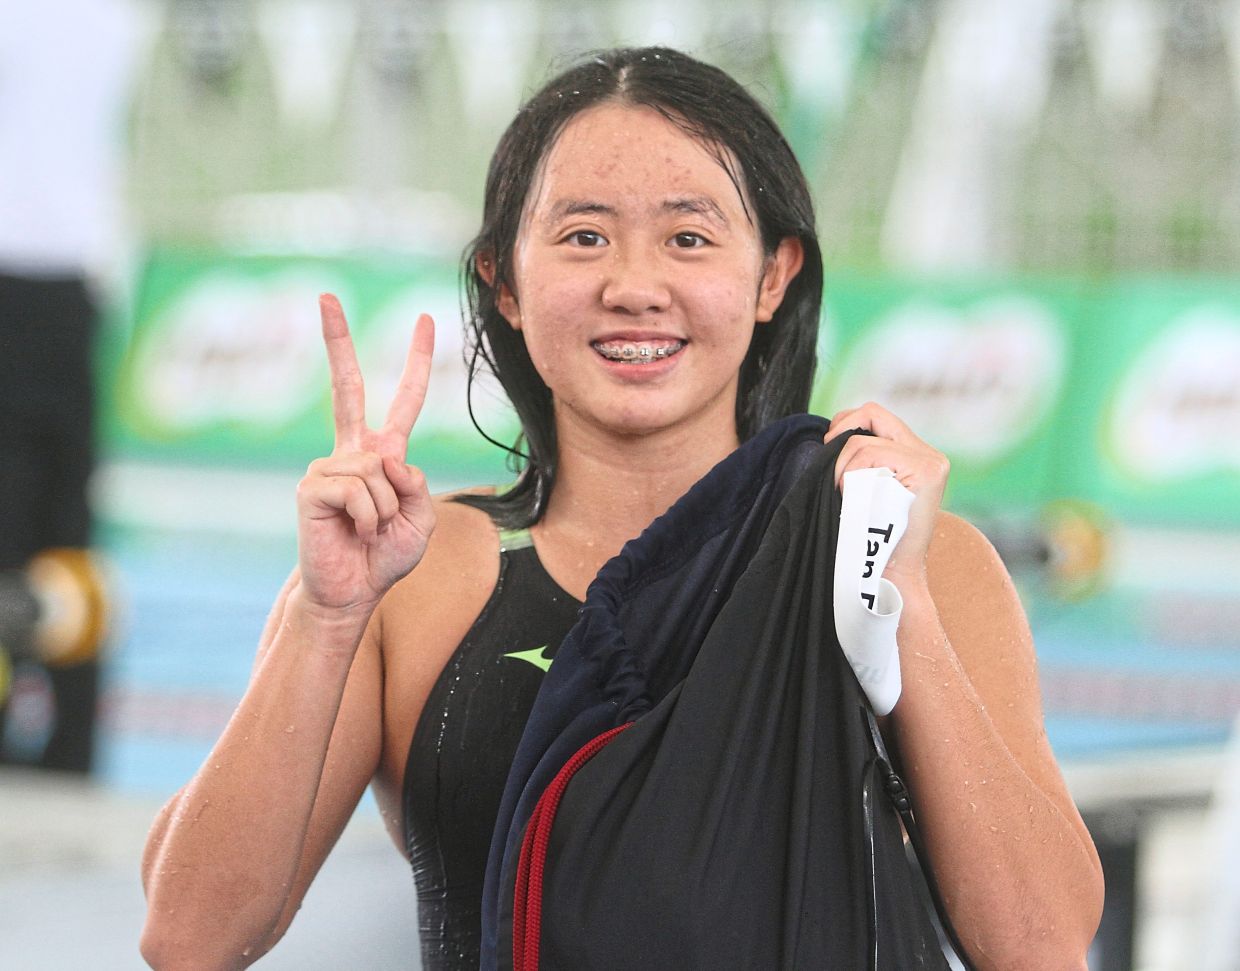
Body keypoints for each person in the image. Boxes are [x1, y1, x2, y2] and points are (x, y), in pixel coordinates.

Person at [140, 46, 1103, 971]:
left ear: (772, 276)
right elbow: (190, 938)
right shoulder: (417, 577)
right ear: (505, 283)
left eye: (688, 238)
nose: (634, 287)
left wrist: (899, 598)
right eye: (583, 237)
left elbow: (1041, 944)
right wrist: (326, 617)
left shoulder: (903, 561)